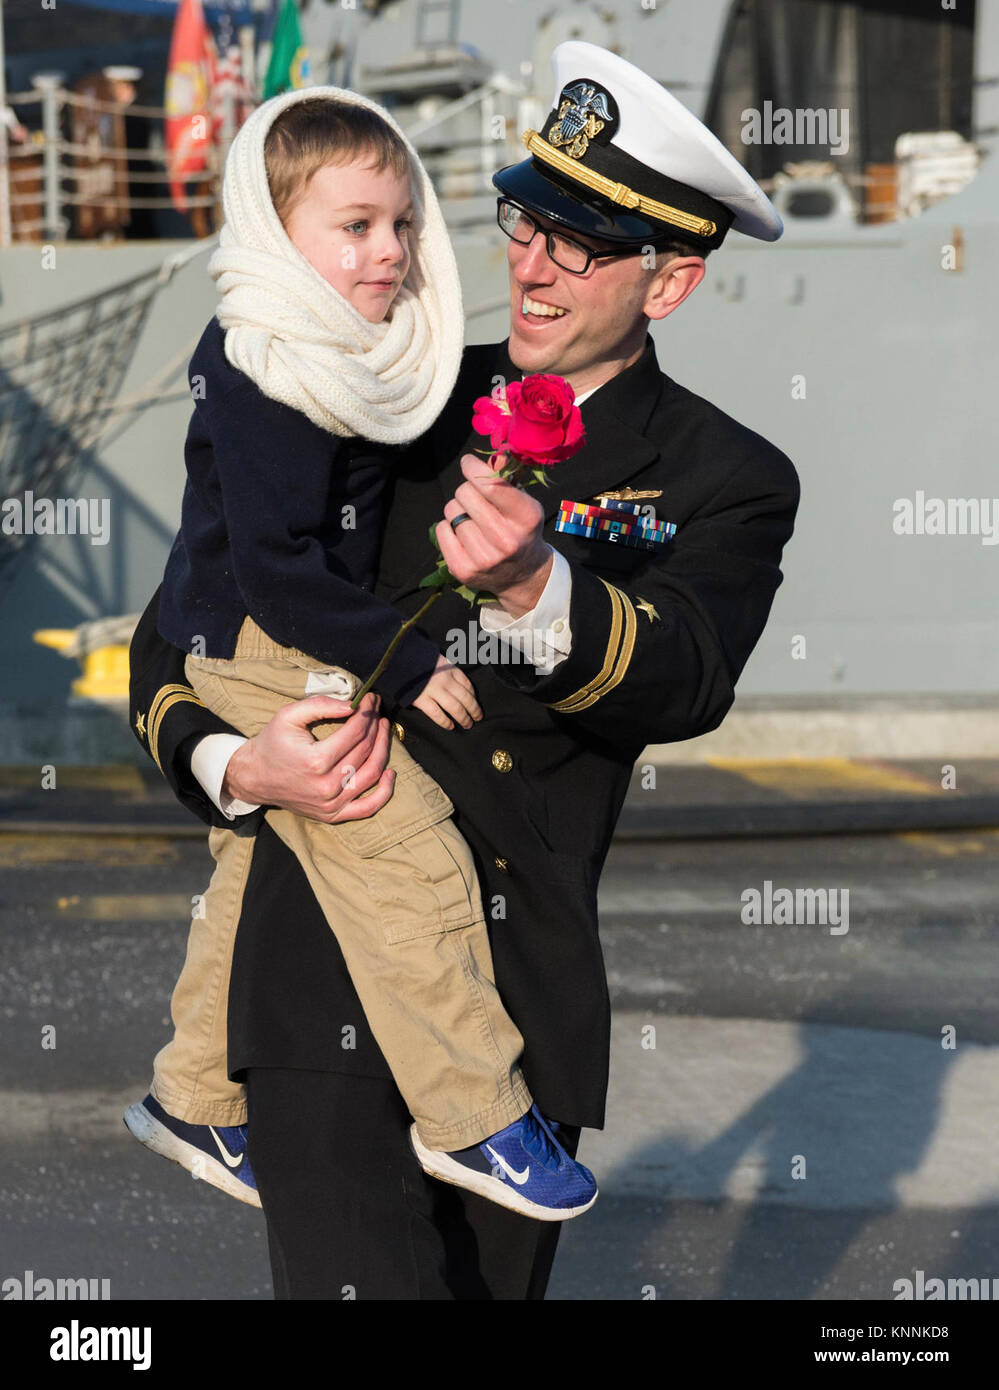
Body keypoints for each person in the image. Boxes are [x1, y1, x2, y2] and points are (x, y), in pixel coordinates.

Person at [128, 40, 800, 1298]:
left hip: (519, 986)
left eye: (581, 244)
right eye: (525, 221)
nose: (532, 264)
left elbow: (688, 675)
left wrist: (541, 588)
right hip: (318, 959)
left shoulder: (730, 475)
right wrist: (234, 761)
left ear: (672, 284)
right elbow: (189, 621)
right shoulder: (391, 383)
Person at [123, 85, 596, 1221]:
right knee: (401, 842)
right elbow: (283, 567)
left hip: (262, 628)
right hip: (254, 636)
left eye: (402, 222)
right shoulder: (270, 360)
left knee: (251, 864)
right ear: (274, 235)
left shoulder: (358, 346)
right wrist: (403, 659)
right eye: (353, 227)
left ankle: (191, 1097)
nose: (389, 251)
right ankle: (476, 1117)